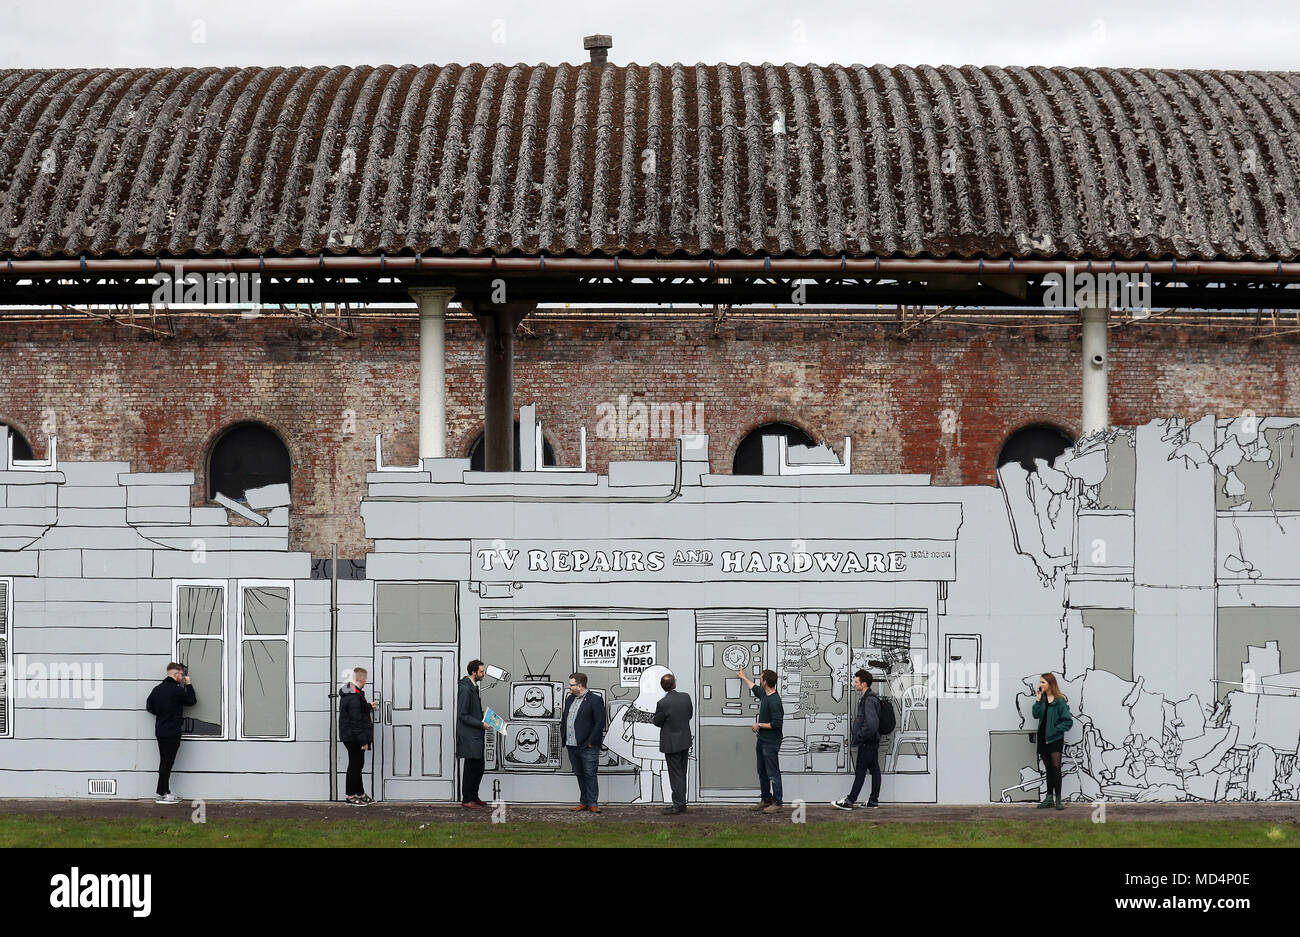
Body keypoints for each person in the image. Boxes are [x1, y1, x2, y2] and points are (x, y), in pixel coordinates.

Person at [145, 662, 196, 805]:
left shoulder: (157, 689)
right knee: (167, 762)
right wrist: (189, 684)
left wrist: (161, 714)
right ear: (176, 675)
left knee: (164, 761)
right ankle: (161, 794)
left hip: (160, 731)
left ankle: (165, 792)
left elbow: (149, 706)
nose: (183, 677)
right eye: (181, 675)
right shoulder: (177, 691)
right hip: (172, 732)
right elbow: (192, 701)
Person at [832, 669, 882, 810]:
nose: (854, 684)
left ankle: (849, 801)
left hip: (867, 742)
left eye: (856, 682)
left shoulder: (869, 700)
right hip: (871, 741)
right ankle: (873, 801)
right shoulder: (868, 698)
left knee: (860, 771)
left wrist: (860, 736)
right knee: (874, 769)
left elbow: (871, 724)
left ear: (864, 684)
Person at [737, 667, 784, 813]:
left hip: (771, 742)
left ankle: (778, 803)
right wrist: (744, 677)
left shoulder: (774, 701)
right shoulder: (765, 694)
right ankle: (766, 799)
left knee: (773, 773)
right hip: (762, 740)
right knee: (762, 772)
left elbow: (777, 723)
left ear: (765, 682)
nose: (759, 679)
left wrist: (759, 725)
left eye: (761, 677)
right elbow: (754, 688)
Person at [562, 672, 607, 813]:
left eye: (571, 685)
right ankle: (584, 802)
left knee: (590, 774)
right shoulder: (569, 699)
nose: (569, 687)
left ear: (580, 686)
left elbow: (599, 723)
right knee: (579, 774)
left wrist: (590, 742)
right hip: (571, 744)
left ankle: (593, 803)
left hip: (587, 746)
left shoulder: (595, 700)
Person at [652, 671, 693, 814]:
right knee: (682, 773)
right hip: (684, 741)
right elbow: (689, 715)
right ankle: (681, 803)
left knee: (676, 775)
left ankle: (679, 805)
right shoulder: (686, 697)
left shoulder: (663, 703)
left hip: (671, 743)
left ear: (662, 687)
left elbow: (657, 722)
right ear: (675, 683)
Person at [1033, 672, 1074, 810]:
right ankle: (1049, 798)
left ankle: (1058, 799)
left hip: (1055, 739)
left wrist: (1056, 729)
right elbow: (1035, 714)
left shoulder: (1059, 701)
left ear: (1050, 684)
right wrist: (1038, 700)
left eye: (1043, 682)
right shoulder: (1042, 699)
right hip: (1042, 738)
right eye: (1040, 682)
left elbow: (1068, 721)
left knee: (1056, 769)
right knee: (1048, 769)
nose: (1040, 685)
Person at [339, 666, 378, 805]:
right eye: (365, 679)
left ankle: (360, 794)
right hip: (353, 737)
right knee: (355, 766)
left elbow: (356, 711)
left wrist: (368, 707)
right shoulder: (354, 697)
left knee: (357, 765)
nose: (366, 681)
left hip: (351, 736)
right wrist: (363, 741)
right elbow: (355, 722)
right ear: (361, 679)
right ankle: (350, 795)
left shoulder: (352, 693)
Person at [457, 659, 489, 809]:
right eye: (481, 672)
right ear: (473, 672)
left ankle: (474, 796)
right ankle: (467, 799)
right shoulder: (465, 689)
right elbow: (462, 715)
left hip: (476, 735)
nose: (484, 674)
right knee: (471, 768)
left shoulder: (473, 687)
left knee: (479, 767)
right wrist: (480, 724)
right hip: (470, 736)